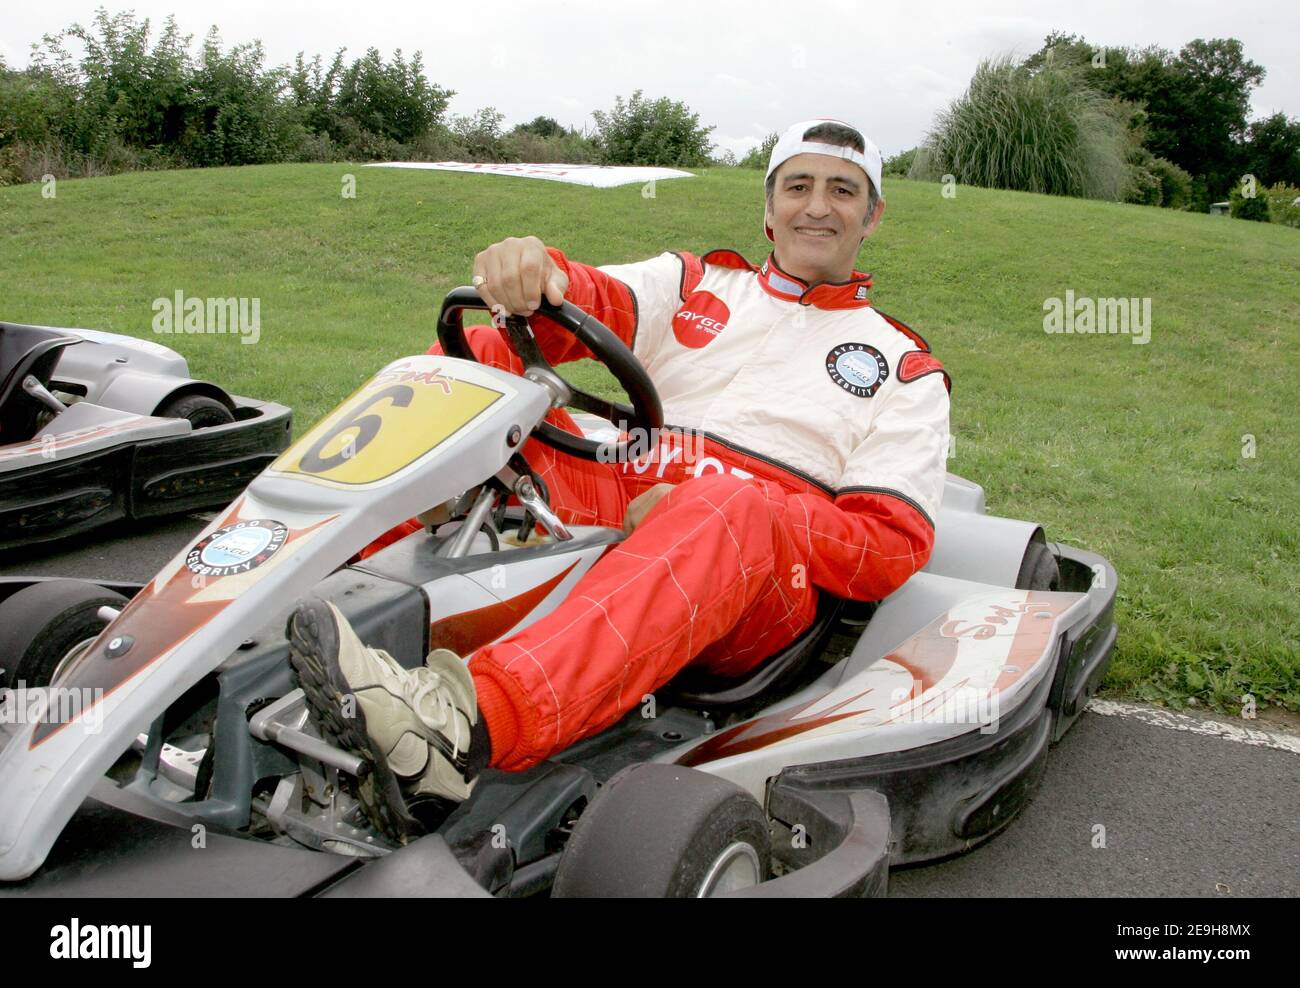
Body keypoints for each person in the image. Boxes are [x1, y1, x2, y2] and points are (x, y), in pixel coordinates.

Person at [286, 118, 952, 841]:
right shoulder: (696, 281)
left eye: (842, 191)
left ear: (873, 214)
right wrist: (536, 275)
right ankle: (279, 586)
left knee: (727, 503)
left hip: (759, 574)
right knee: (477, 364)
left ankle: (455, 732)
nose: (817, 206)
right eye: (798, 186)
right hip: (621, 487)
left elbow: (888, 547)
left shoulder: (901, 365)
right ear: (768, 208)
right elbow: (587, 298)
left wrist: (709, 501)